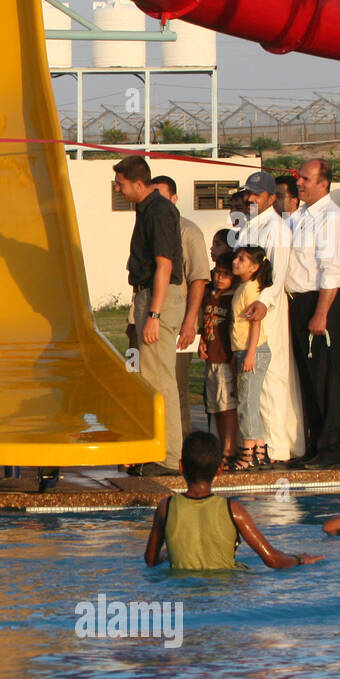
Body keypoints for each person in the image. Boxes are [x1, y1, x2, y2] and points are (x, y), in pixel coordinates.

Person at [144, 431, 322, 570]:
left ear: (181, 466)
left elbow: (151, 560)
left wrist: (168, 554)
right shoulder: (233, 509)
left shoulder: (166, 507)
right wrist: (299, 559)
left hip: (180, 592)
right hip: (224, 594)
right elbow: (273, 560)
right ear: (220, 469)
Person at [113, 155, 184, 476]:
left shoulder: (158, 211)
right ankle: (154, 449)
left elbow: (165, 265)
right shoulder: (146, 210)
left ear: (138, 183)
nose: (118, 189)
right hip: (147, 295)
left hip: (160, 297)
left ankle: (168, 458)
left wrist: (154, 313)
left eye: (121, 184)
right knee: (148, 378)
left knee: (160, 380)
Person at [233, 170, 306, 467]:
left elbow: (277, 274)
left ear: (272, 198)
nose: (250, 198)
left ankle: (277, 448)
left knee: (272, 376)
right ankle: (255, 445)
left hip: (268, 309)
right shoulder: (250, 226)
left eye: (257, 194)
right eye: (248, 193)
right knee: (251, 381)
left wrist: (264, 303)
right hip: (249, 306)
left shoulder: (276, 228)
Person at [284, 159, 340, 469]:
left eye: (307, 179)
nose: (300, 183)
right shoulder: (299, 216)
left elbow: (331, 271)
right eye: (300, 177)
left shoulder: (331, 219)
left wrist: (321, 313)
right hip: (300, 301)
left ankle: (333, 449)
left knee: (327, 378)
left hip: (321, 301)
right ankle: (316, 445)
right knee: (310, 378)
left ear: (324, 184)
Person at [152, 176, 211, 440]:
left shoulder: (188, 232)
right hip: (149, 322)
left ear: (174, 199)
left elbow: (199, 278)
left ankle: (180, 447)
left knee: (177, 386)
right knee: (151, 384)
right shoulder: (150, 228)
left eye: (161, 197)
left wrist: (190, 322)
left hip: (178, 322)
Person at [230, 245, 273, 469]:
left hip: (253, 351)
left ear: (255, 267)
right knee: (250, 401)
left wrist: (251, 354)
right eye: (237, 258)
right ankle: (259, 449)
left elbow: (255, 322)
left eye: (242, 259)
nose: (235, 262)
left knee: (246, 403)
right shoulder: (244, 286)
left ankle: (248, 452)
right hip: (243, 350)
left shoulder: (252, 289)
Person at [200, 244, 239, 466]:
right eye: (218, 273)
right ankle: (220, 445)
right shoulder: (210, 296)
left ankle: (229, 448)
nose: (220, 278)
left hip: (225, 358)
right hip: (211, 358)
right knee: (215, 406)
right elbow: (206, 324)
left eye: (225, 274)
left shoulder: (231, 298)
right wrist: (203, 341)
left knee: (227, 406)